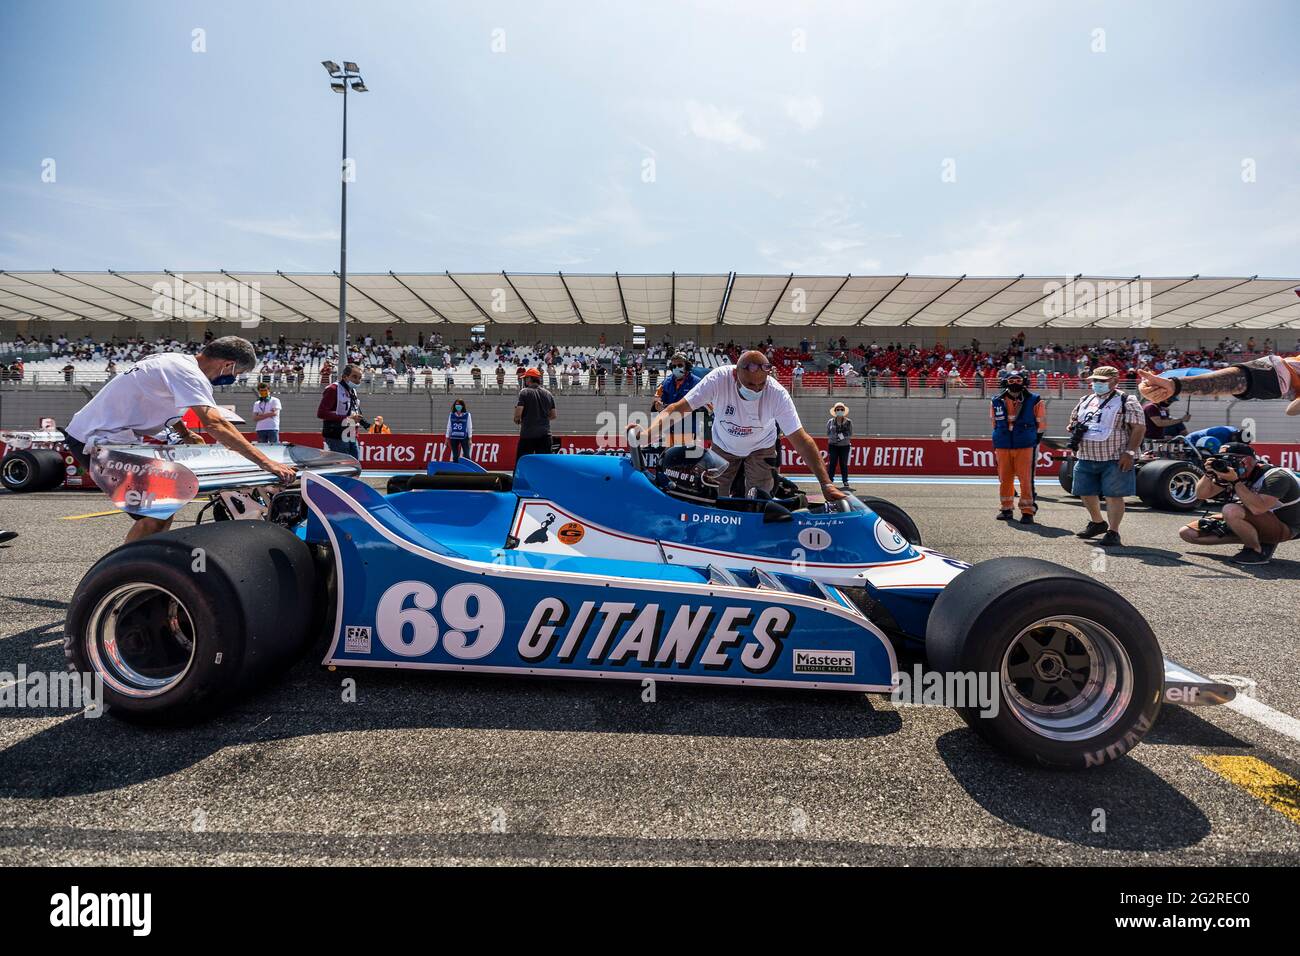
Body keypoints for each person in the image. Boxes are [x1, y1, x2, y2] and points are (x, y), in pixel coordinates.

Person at [61, 336, 295, 543]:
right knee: (155, 513)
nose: (234, 377)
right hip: (96, 441)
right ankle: (125, 572)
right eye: (237, 373)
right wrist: (266, 463)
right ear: (228, 365)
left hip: (101, 436)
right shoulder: (190, 374)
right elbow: (215, 423)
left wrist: (185, 433)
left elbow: (161, 400)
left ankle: (146, 567)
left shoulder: (173, 360)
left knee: (163, 509)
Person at [632, 350, 846, 502]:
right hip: (723, 447)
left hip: (761, 448)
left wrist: (826, 484)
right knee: (714, 498)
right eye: (750, 384)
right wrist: (647, 436)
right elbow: (678, 409)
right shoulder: (718, 379)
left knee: (760, 499)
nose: (756, 389)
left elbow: (801, 440)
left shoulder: (777, 394)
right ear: (735, 374)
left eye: (761, 384)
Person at [1177, 442, 1300, 565]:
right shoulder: (1234, 474)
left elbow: (1258, 508)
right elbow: (1202, 495)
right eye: (1221, 459)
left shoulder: (1276, 477)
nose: (1226, 463)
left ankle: (1256, 550)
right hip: (1258, 518)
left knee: (1231, 510)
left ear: (1247, 461)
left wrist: (1235, 481)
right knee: (1188, 533)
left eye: (1231, 459)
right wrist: (1209, 474)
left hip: (1288, 527)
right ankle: (1254, 537)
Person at [1067, 366, 1146, 547]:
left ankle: (1113, 531)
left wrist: (1130, 453)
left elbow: (1139, 428)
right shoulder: (1085, 399)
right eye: (1095, 380)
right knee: (1085, 492)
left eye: (1102, 381)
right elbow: (1073, 420)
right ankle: (1097, 523)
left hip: (1115, 456)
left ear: (1115, 381)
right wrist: (1073, 428)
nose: (1097, 384)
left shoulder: (1127, 400)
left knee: (1113, 495)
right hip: (1086, 455)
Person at [1138, 355, 1300, 417]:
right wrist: (1176, 385)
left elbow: (1291, 410)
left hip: (1279, 379)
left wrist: (1176, 386)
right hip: (1279, 374)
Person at [991, 369, 1046, 523]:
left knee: (1026, 479)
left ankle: (1028, 511)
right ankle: (1006, 508)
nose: (1015, 383)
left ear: (1024, 382)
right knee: (1005, 478)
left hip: (1025, 445)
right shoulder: (996, 400)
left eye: (1018, 380)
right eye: (1011, 381)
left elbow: (1041, 423)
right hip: (1003, 444)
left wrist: (1033, 440)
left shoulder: (1035, 400)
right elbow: (994, 423)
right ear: (1005, 382)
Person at [317, 362, 366, 459]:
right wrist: (347, 418)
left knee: (354, 464)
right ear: (345, 377)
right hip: (336, 434)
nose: (357, 381)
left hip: (350, 433)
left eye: (360, 378)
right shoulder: (333, 389)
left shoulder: (352, 390)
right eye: (354, 377)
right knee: (343, 465)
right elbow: (321, 413)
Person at [651, 353, 699, 446]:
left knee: (685, 457)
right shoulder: (666, 382)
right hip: (669, 427)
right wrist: (657, 405)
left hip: (687, 428)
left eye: (680, 365)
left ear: (687, 366)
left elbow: (701, 407)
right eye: (674, 366)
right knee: (670, 456)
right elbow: (656, 401)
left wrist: (665, 407)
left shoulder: (697, 382)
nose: (676, 367)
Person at [514, 367, 556, 468]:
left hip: (528, 434)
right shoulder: (548, 394)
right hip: (545, 435)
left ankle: (519, 483)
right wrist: (541, 418)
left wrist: (517, 419)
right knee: (545, 466)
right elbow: (553, 415)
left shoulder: (524, 392)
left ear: (529, 379)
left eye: (525, 378)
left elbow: (518, 414)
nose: (524, 380)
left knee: (522, 463)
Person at [827, 403, 853, 489]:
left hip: (844, 446)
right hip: (833, 445)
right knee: (832, 463)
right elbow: (828, 433)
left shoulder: (848, 422)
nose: (840, 411)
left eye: (842, 409)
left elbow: (850, 433)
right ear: (835, 411)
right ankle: (830, 480)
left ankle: (845, 480)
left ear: (844, 411)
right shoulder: (830, 422)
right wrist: (835, 437)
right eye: (838, 409)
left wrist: (840, 437)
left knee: (843, 463)